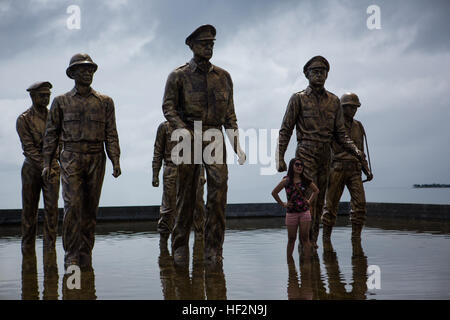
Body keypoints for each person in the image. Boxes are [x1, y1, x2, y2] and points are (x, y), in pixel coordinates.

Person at [162, 24, 245, 264]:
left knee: (218, 195)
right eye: (203, 43)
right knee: (186, 195)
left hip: (215, 136)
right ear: (191, 45)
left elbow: (230, 115)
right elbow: (168, 107)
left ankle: (213, 250)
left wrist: (237, 146)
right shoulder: (178, 76)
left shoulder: (224, 77)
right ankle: (179, 247)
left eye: (211, 43)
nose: (208, 47)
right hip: (188, 135)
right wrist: (183, 130)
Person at [42, 53, 121, 270]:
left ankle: (86, 254)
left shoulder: (105, 102)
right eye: (82, 69)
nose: (88, 72)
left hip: (97, 157)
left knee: (90, 208)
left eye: (90, 69)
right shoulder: (60, 101)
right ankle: (71, 255)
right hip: (71, 157)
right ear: (73, 74)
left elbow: (111, 133)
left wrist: (115, 160)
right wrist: (47, 163)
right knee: (72, 206)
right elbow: (51, 134)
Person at [277, 56, 366, 248]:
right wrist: (280, 157)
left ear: (327, 74)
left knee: (319, 200)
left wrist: (356, 151)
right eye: (314, 71)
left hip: (326, 154)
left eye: (322, 71)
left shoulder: (334, 101)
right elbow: (286, 129)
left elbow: (341, 134)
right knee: (307, 196)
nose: (319, 74)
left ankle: (313, 241)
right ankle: (305, 241)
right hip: (305, 152)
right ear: (307, 74)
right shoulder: (298, 98)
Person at [322, 92, 373, 240]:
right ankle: (326, 239)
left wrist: (367, 170)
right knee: (330, 207)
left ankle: (356, 238)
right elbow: (324, 149)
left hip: (355, 170)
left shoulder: (359, 126)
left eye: (355, 107)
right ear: (342, 107)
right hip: (336, 169)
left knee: (360, 205)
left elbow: (362, 151)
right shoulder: (333, 124)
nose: (353, 110)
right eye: (350, 107)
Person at [16, 81, 60, 253]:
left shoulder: (55, 118)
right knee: (29, 211)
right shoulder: (24, 119)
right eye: (42, 95)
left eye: (48, 95)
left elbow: (61, 143)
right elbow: (29, 148)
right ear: (33, 96)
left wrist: (53, 164)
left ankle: (50, 249)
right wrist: (44, 165)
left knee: (52, 211)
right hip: (31, 169)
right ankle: (27, 249)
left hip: (52, 168)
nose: (46, 98)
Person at [152, 120, 206, 245]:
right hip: (172, 169)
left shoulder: (196, 126)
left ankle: (200, 242)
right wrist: (155, 174)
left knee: (198, 207)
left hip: (194, 169)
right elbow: (158, 151)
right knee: (168, 208)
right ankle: (163, 245)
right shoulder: (164, 127)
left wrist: (202, 174)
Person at [272, 158, 319, 257]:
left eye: (301, 165)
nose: (299, 167)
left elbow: (316, 190)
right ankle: (290, 264)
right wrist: (283, 204)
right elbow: (274, 192)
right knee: (291, 239)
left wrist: (309, 201)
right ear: (292, 166)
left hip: (304, 212)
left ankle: (307, 264)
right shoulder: (286, 180)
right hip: (291, 213)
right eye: (297, 164)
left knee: (305, 239)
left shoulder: (305, 180)